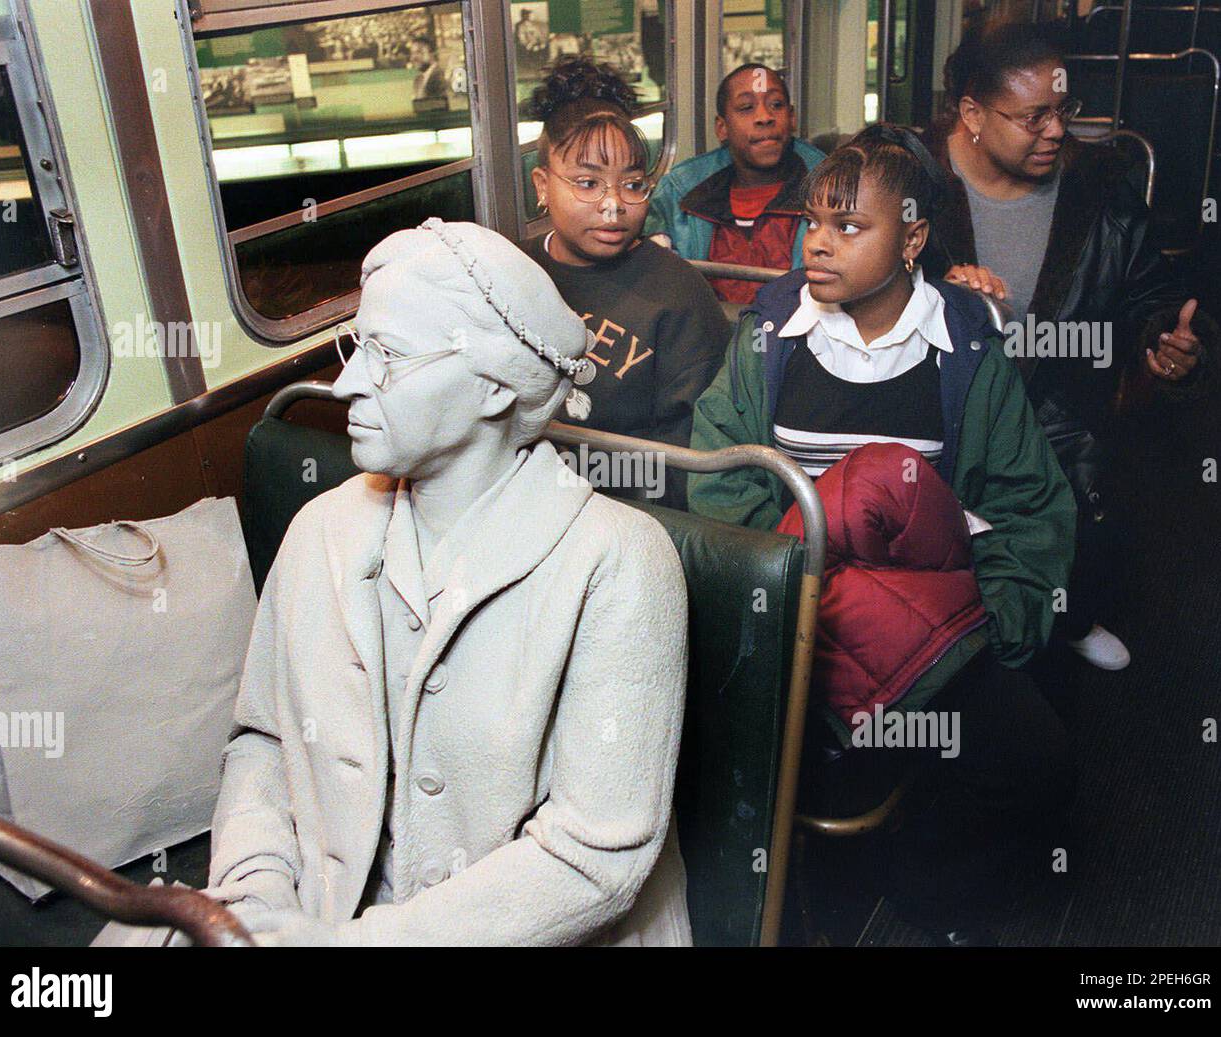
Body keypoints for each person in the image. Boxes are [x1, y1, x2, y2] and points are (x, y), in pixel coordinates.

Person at [202, 218, 692, 946]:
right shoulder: (321, 530)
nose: (348, 384)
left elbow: (595, 860)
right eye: (357, 347)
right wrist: (254, 893)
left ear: (494, 387)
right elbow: (265, 741)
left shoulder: (619, 561)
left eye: (390, 355)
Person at [689, 125, 1077, 942]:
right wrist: (793, 600)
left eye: (848, 226)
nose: (817, 243)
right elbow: (721, 477)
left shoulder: (963, 350)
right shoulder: (768, 336)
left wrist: (996, 623)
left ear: (911, 238)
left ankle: (923, 892)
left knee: (1037, 763)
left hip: (929, 614)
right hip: (801, 610)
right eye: (812, 222)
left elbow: (1029, 503)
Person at [919, 19, 1215, 671]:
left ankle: (1070, 615)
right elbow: (865, 281)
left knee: (1062, 537)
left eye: (1063, 109)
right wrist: (937, 293)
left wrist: (1167, 341)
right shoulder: (913, 181)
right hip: (937, 411)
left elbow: (1151, 298)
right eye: (1033, 117)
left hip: (1058, 417)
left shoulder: (1100, 192)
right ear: (972, 114)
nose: (1056, 130)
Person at [522, 56, 730, 509]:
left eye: (633, 185)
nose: (613, 205)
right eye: (587, 183)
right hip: (520, 498)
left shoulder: (680, 293)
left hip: (630, 511)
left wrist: (570, 487)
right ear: (542, 185)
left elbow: (692, 460)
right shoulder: (511, 275)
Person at [644, 63, 826, 304]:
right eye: (746, 108)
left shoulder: (830, 189)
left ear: (792, 118)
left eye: (776, 105)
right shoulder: (678, 192)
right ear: (722, 128)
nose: (765, 117)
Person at [409, 36, 447, 101]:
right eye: (412, 53)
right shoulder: (418, 80)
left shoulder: (442, 77)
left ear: (432, 53)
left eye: (419, 52)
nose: (413, 58)